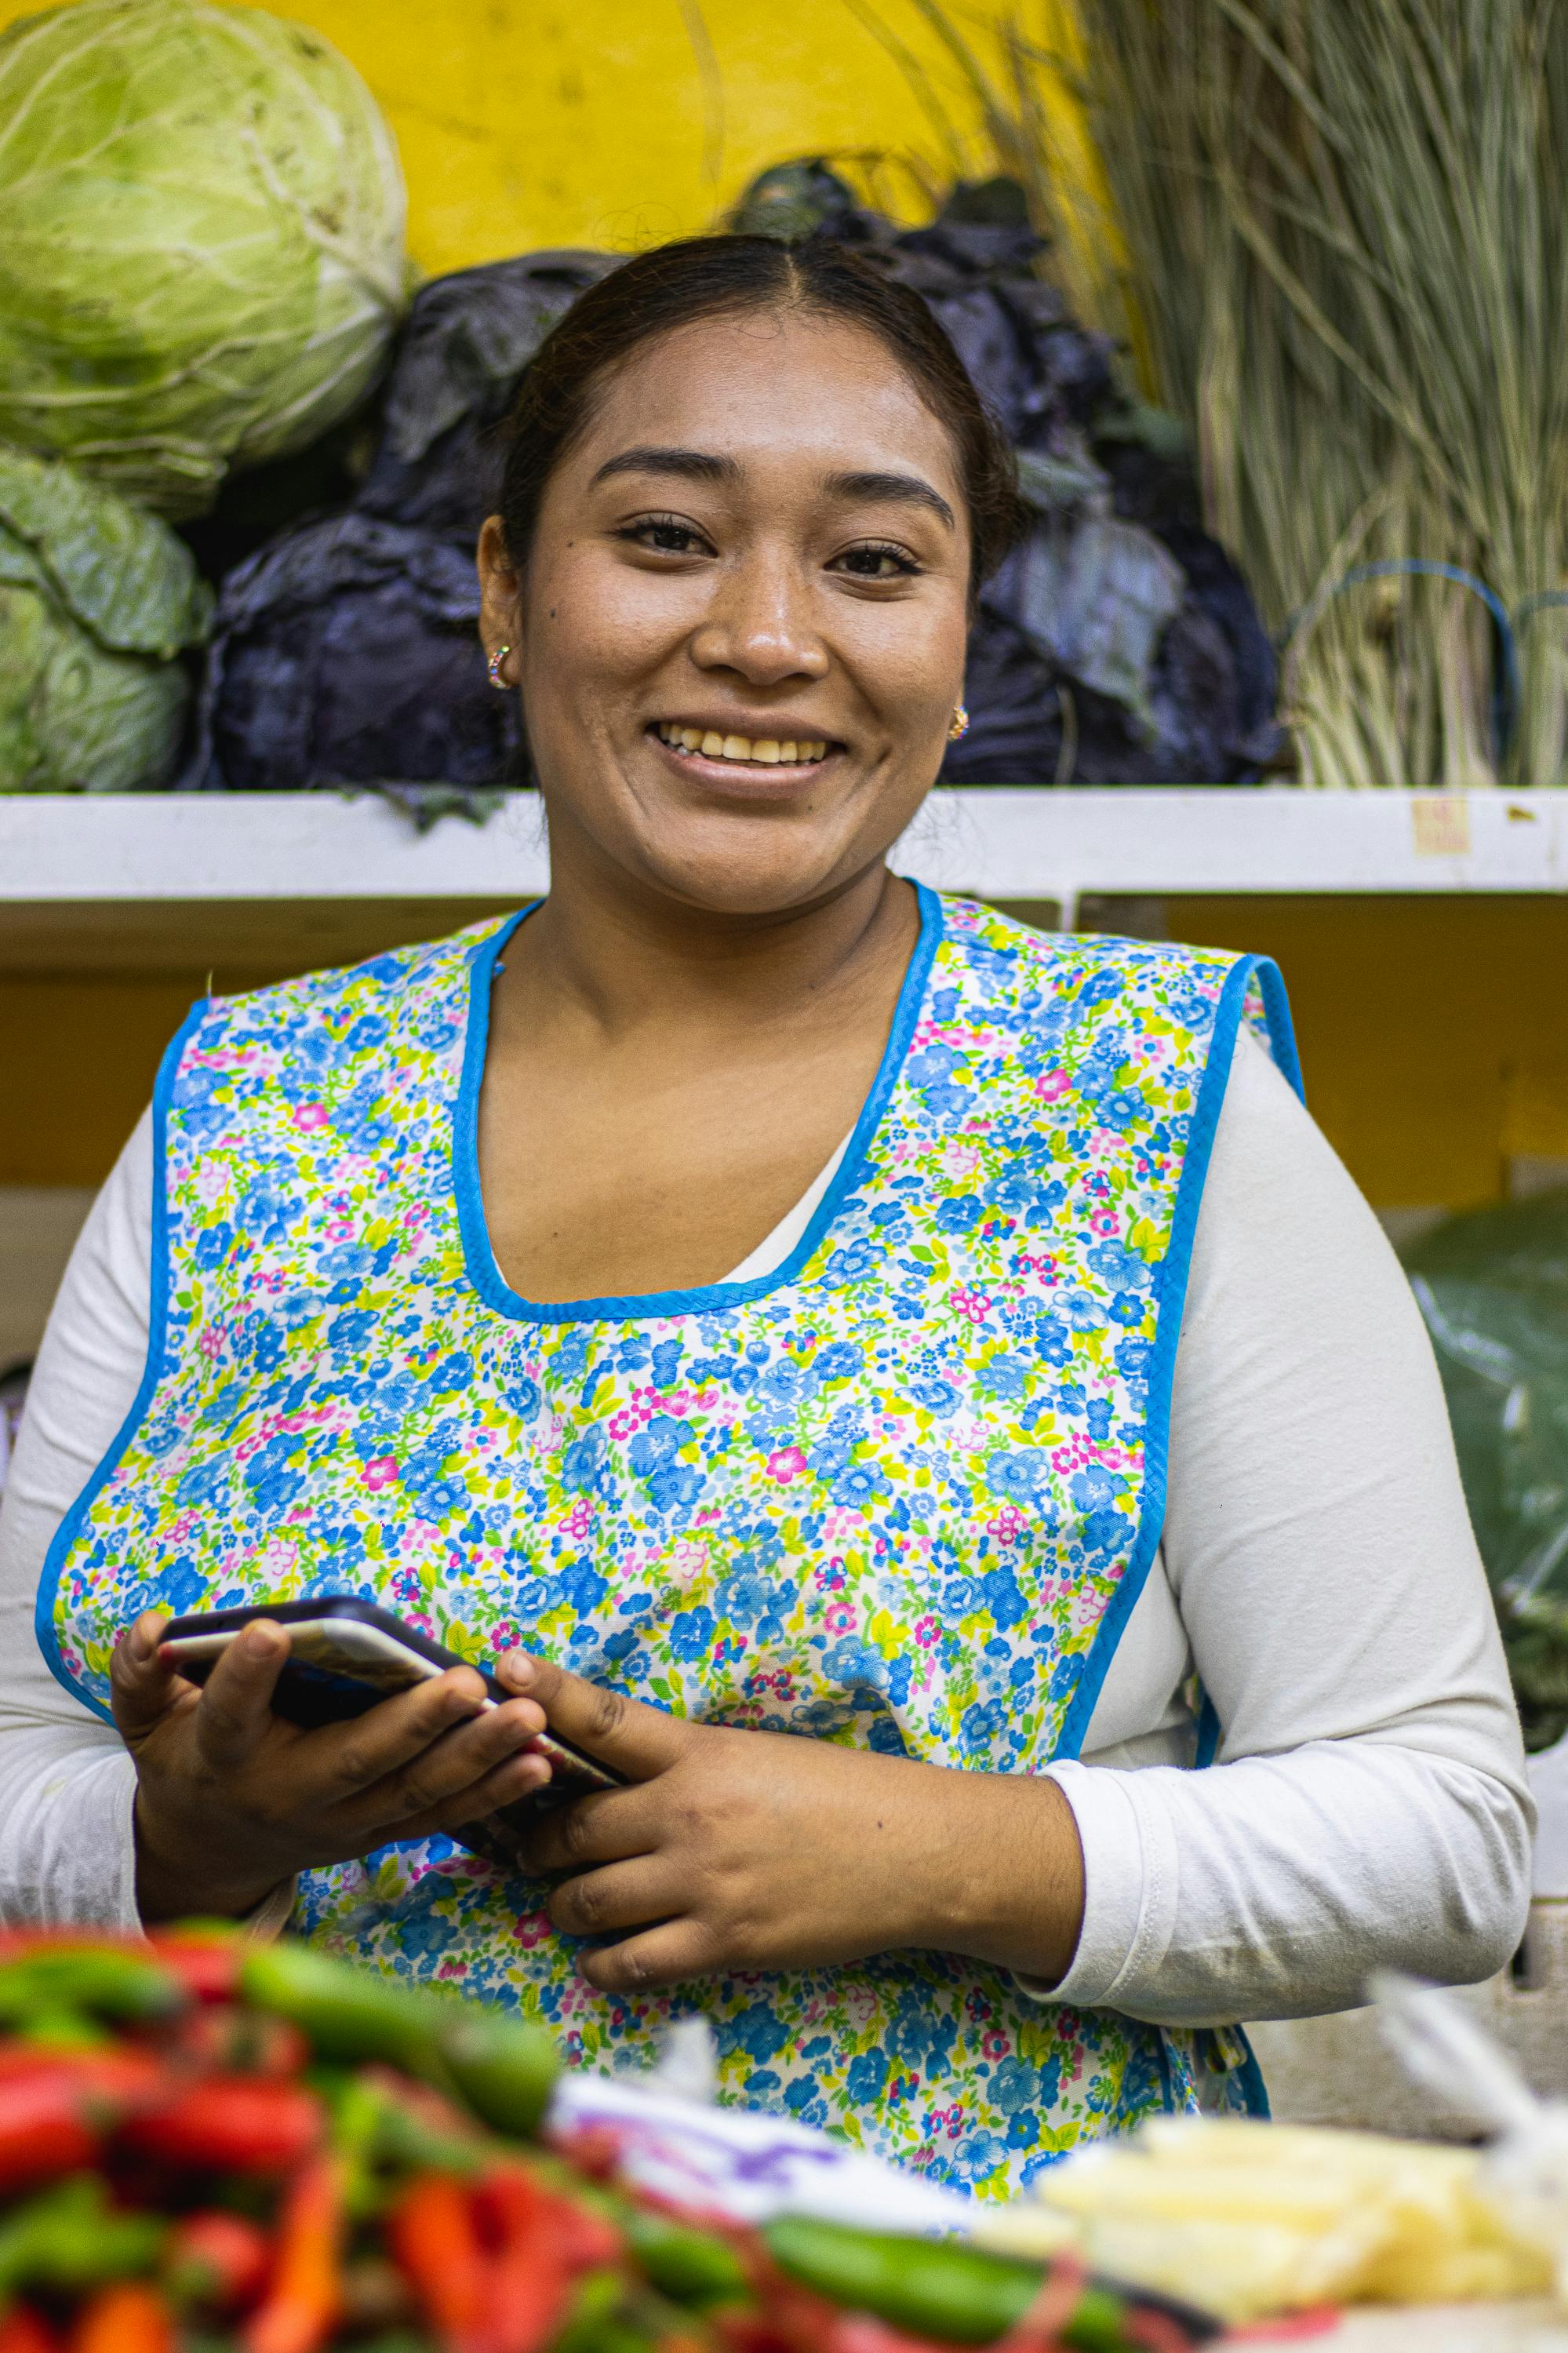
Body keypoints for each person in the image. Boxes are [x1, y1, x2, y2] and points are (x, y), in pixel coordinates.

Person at [0, 235, 1530, 2193]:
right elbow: (33, 1765)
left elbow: (1440, 1835)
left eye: (874, 563)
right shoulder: (255, 1111)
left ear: (960, 643)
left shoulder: (1150, 1104)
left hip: (954, 2303)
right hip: (298, 2279)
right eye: (662, 539)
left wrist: (941, 1850)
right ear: (498, 593)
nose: (766, 634)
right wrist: (184, 1845)